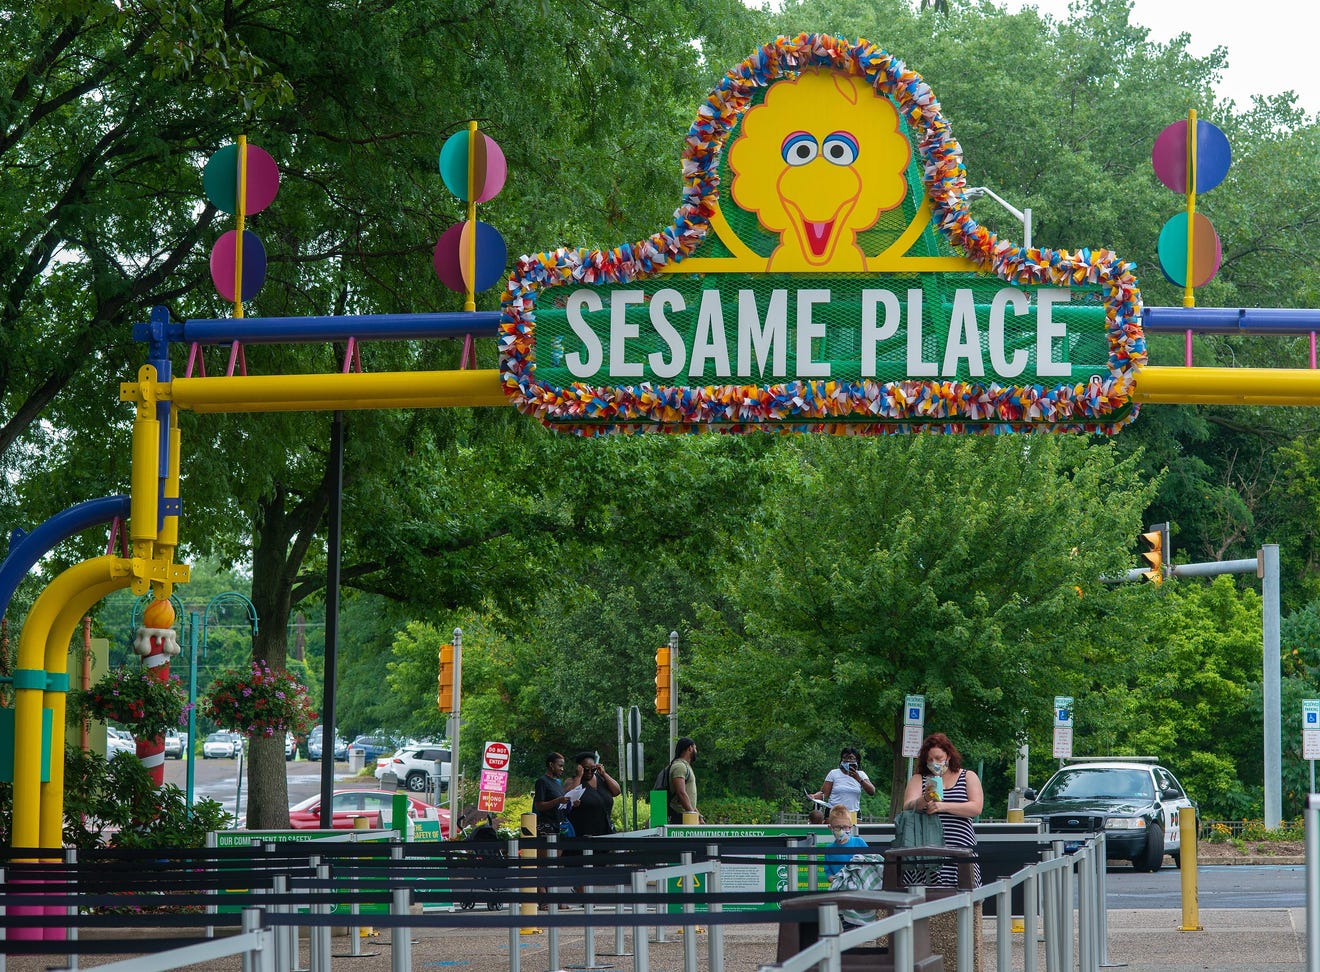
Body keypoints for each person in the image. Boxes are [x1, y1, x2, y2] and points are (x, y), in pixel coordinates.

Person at [901, 731, 983, 887]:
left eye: (938, 758)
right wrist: (925, 798)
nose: (935, 763)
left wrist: (942, 806)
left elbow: (976, 807)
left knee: (963, 892)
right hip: (926, 847)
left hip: (960, 847)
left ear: (949, 756)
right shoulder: (919, 779)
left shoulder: (968, 776)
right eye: (930, 760)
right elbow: (907, 806)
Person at [565, 751, 621, 838]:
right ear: (580, 768)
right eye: (586, 769)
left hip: (605, 832)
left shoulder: (601, 779)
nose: (590, 772)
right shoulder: (572, 781)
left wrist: (604, 774)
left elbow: (616, 791)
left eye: (593, 769)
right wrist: (579, 776)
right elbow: (569, 798)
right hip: (583, 834)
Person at [815, 746, 877, 816]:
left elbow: (872, 791)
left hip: (853, 813)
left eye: (850, 758)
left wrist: (858, 779)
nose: (847, 760)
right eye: (844, 758)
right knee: (835, 827)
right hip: (834, 812)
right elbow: (824, 793)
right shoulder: (833, 773)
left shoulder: (861, 774)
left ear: (857, 760)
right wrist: (814, 796)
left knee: (852, 827)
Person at [823, 803, 868, 880]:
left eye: (845, 827)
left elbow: (870, 861)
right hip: (839, 887)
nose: (841, 831)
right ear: (830, 828)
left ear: (850, 827)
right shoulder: (829, 849)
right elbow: (828, 871)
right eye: (837, 827)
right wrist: (832, 878)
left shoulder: (859, 842)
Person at [533, 752, 572, 835]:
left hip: (560, 826)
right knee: (548, 848)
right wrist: (558, 800)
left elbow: (561, 805)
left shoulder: (558, 782)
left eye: (563, 766)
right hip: (547, 827)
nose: (562, 769)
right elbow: (539, 806)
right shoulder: (542, 781)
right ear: (551, 765)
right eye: (560, 766)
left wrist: (571, 803)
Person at [666, 737, 703, 824]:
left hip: (686, 815)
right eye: (695, 748)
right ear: (690, 748)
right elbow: (681, 793)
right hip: (680, 816)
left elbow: (688, 798)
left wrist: (698, 815)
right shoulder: (679, 766)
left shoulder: (685, 766)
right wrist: (693, 815)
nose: (696, 751)